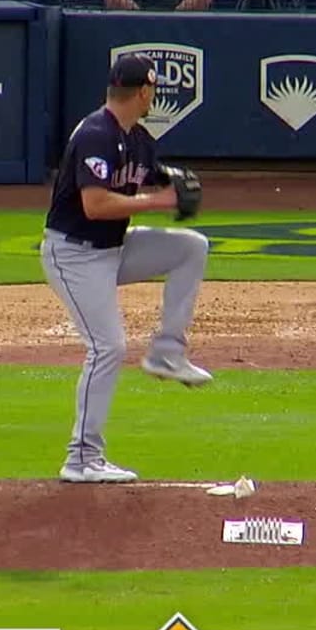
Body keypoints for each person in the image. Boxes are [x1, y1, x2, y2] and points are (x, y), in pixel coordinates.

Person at [42, 53, 212, 485]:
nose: (153, 97)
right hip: (74, 255)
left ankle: (167, 353)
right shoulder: (96, 133)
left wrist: (171, 179)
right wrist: (159, 202)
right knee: (108, 346)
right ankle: (81, 457)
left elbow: (148, 174)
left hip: (112, 249)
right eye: (153, 90)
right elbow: (95, 205)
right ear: (143, 92)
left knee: (191, 248)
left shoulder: (135, 136)